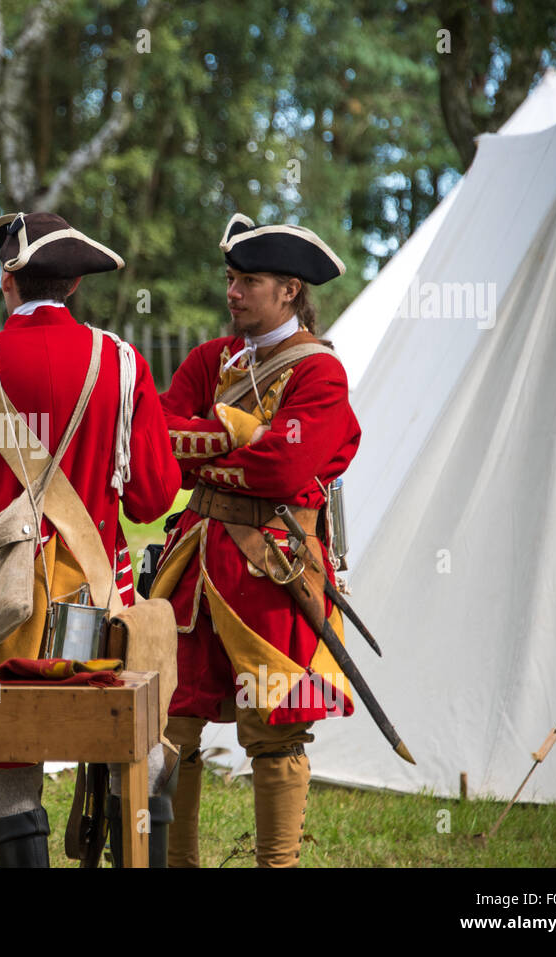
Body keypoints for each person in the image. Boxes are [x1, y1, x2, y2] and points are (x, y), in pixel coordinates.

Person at [0, 211, 182, 866]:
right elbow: (151, 494)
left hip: (5, 604)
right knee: (136, 749)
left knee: (10, 763)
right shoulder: (122, 363)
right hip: (99, 599)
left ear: (9, 277)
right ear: (75, 286)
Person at [150, 213, 361, 868]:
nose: (233, 291)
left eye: (250, 280)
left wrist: (208, 442)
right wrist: (237, 435)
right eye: (231, 277)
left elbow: (283, 469)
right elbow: (157, 436)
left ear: (290, 290)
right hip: (193, 566)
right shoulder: (211, 360)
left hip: (271, 568)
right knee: (170, 724)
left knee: (276, 732)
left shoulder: (320, 374)